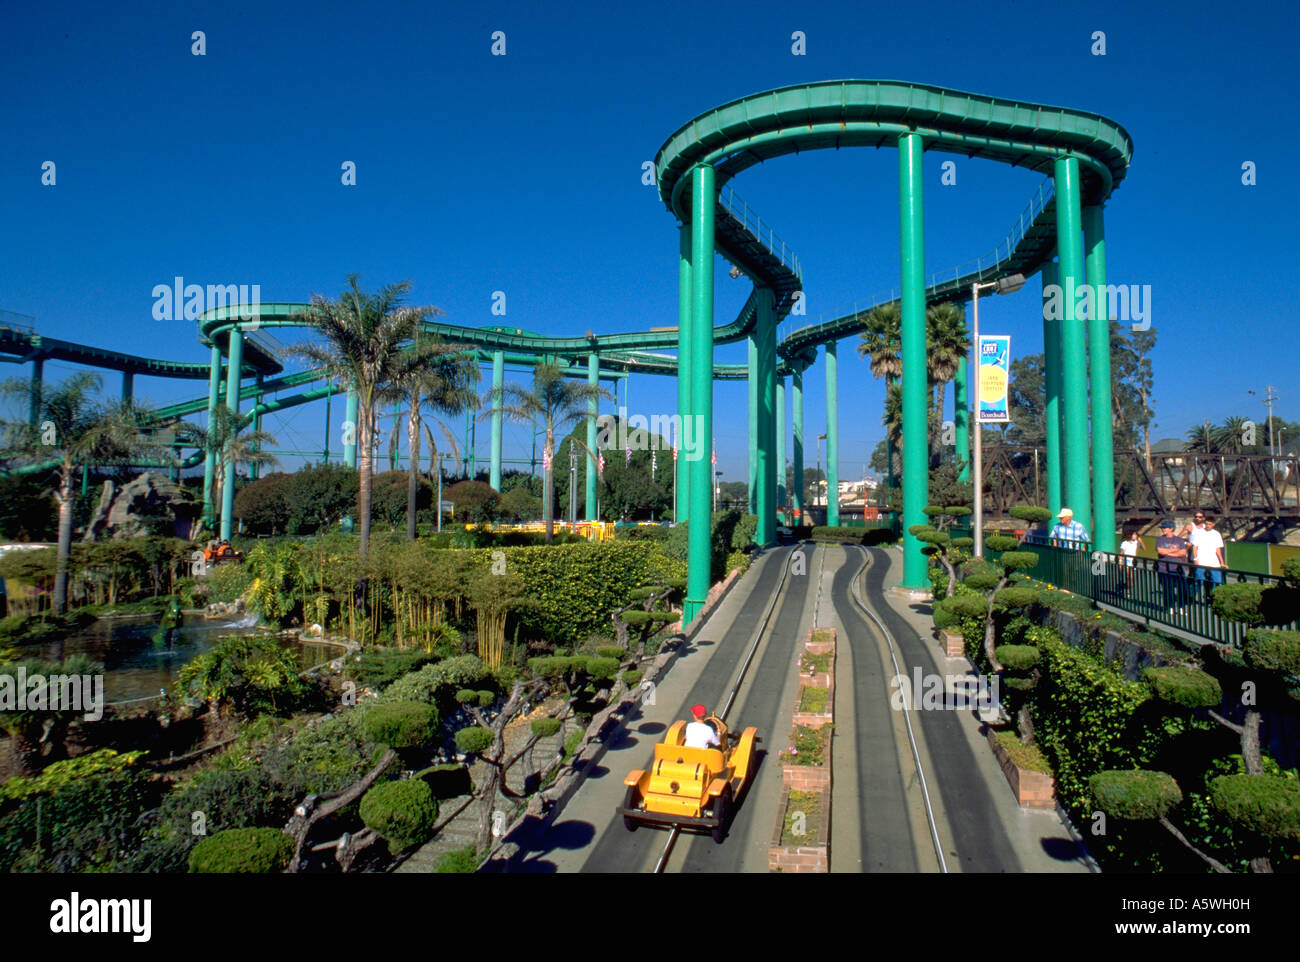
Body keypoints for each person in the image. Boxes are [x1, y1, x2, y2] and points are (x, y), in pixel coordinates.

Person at [1154, 519, 1190, 614]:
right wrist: (1174, 551)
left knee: (1182, 589)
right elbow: (1160, 551)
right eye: (1163, 528)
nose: (1163, 530)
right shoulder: (1159, 539)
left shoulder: (1179, 540)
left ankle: (1181, 607)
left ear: (1171, 529)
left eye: (1165, 528)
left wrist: (1168, 552)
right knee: (1168, 589)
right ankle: (1169, 607)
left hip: (1177, 568)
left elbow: (1183, 553)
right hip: (1164, 568)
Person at [1191, 515, 1226, 600]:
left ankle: (1214, 598)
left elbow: (1218, 549)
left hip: (1213, 562)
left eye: (1209, 524)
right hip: (1201, 561)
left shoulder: (1216, 534)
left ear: (1213, 524)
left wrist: (1222, 562)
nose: (1207, 526)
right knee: (1198, 581)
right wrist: (1195, 559)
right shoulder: (1199, 533)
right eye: (1206, 524)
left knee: (1217, 581)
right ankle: (1191, 597)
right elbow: (1194, 547)